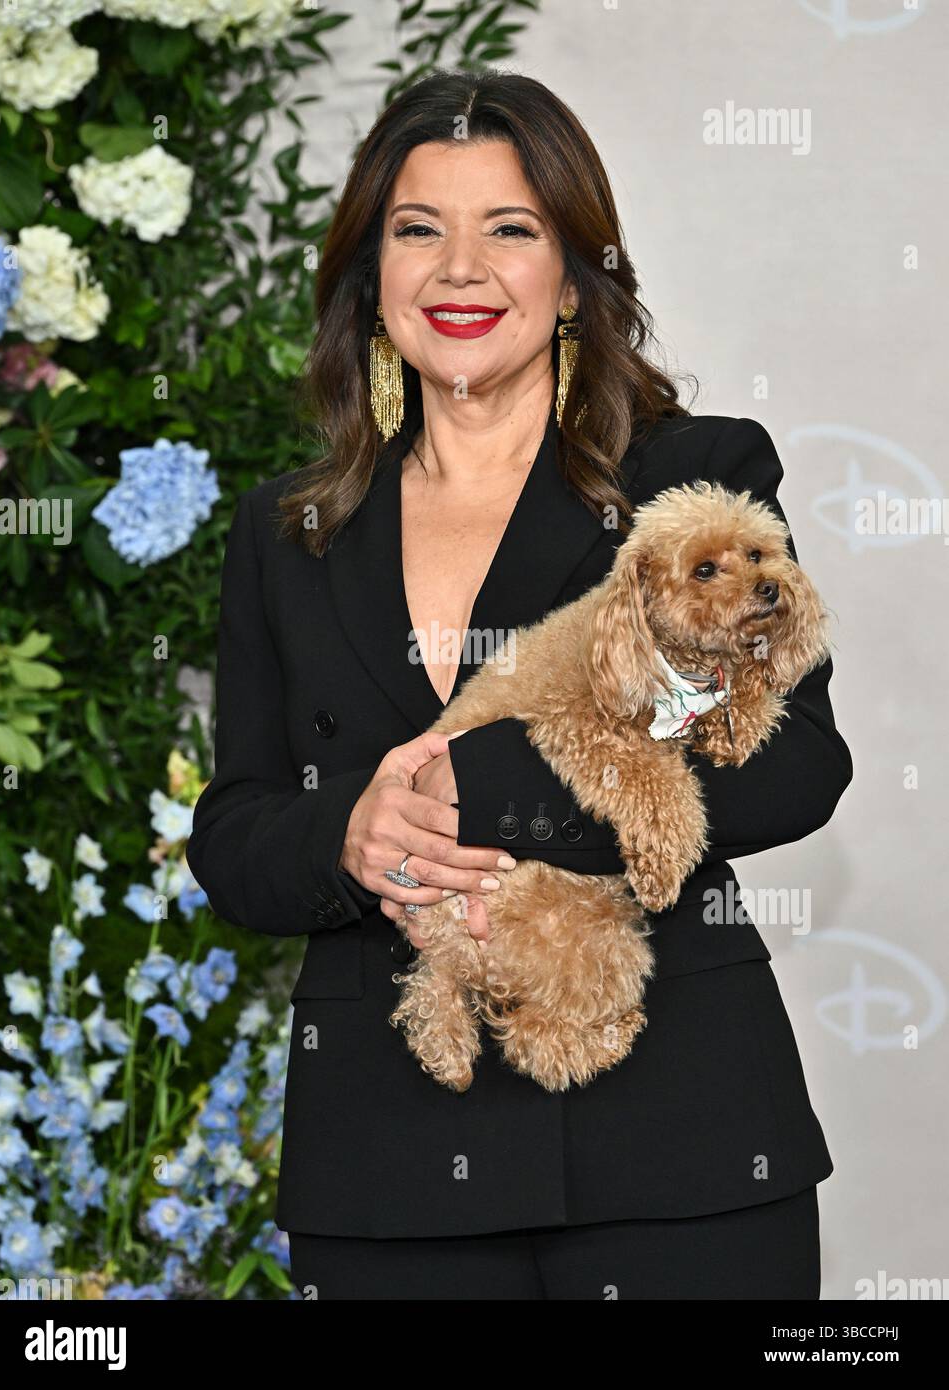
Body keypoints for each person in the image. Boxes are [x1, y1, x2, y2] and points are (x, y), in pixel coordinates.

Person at [185, 69, 853, 1301]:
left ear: (571, 272)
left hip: (677, 1147)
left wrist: (479, 789)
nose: (459, 270)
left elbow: (802, 760)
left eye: (508, 229)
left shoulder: (689, 478)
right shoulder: (280, 529)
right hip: (385, 1162)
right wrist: (349, 833)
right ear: (366, 271)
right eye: (416, 229)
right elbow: (232, 835)